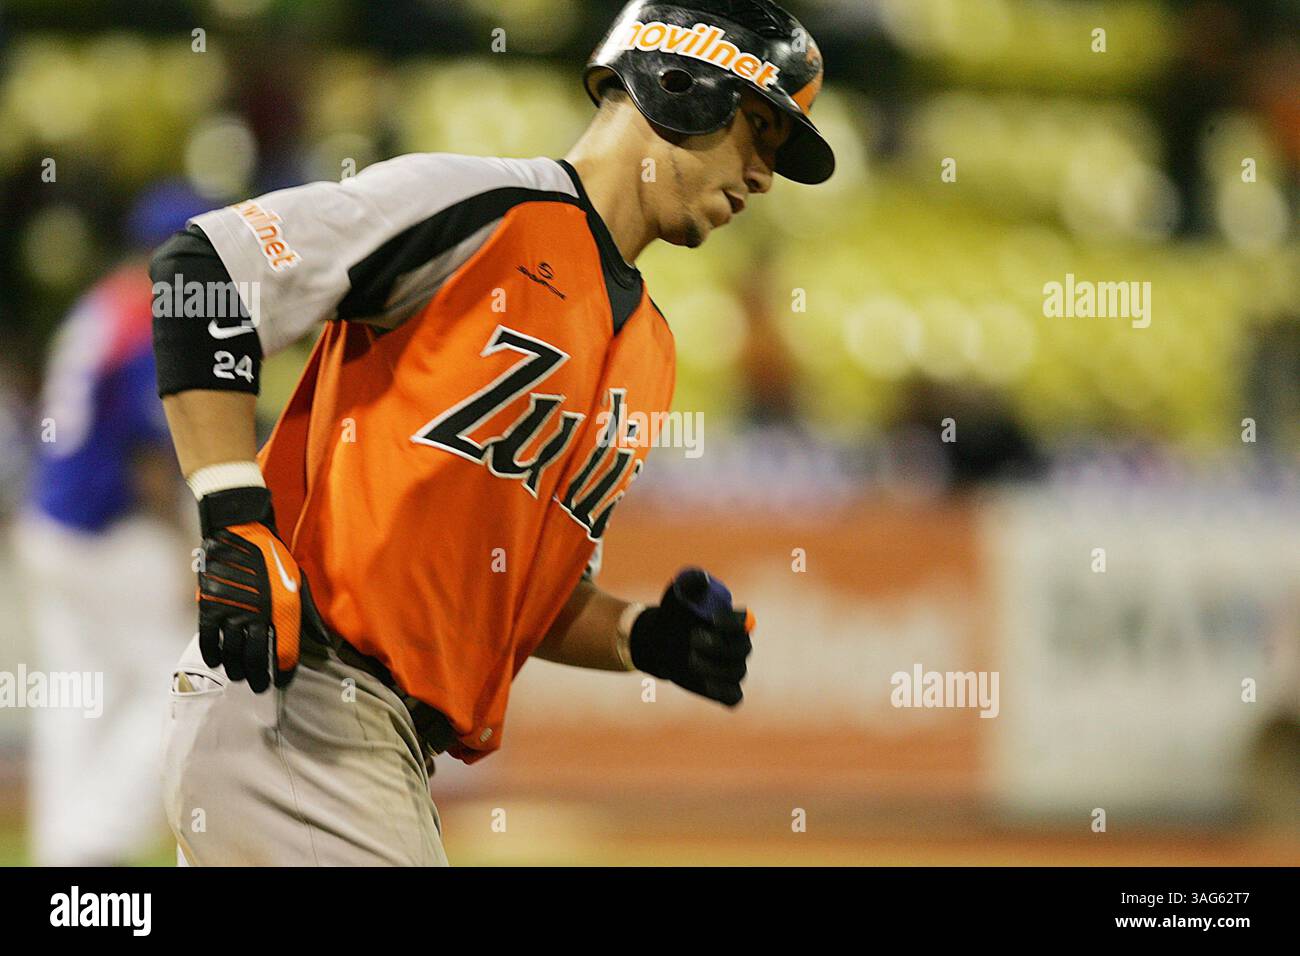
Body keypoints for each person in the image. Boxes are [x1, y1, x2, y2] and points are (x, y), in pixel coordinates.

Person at [151, 0, 835, 865]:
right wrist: (233, 515)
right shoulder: (481, 205)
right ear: (682, 86)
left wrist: (642, 638)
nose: (767, 173)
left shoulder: (652, 352)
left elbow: (528, 598)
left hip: (379, 742)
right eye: (761, 130)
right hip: (303, 697)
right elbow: (204, 269)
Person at [15, 182, 208, 864]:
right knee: (178, 682)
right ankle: (93, 843)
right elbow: (148, 455)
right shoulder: (151, 314)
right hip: (106, 533)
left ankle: (64, 850)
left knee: (78, 694)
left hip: (52, 524)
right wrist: (194, 552)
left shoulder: (103, 303)